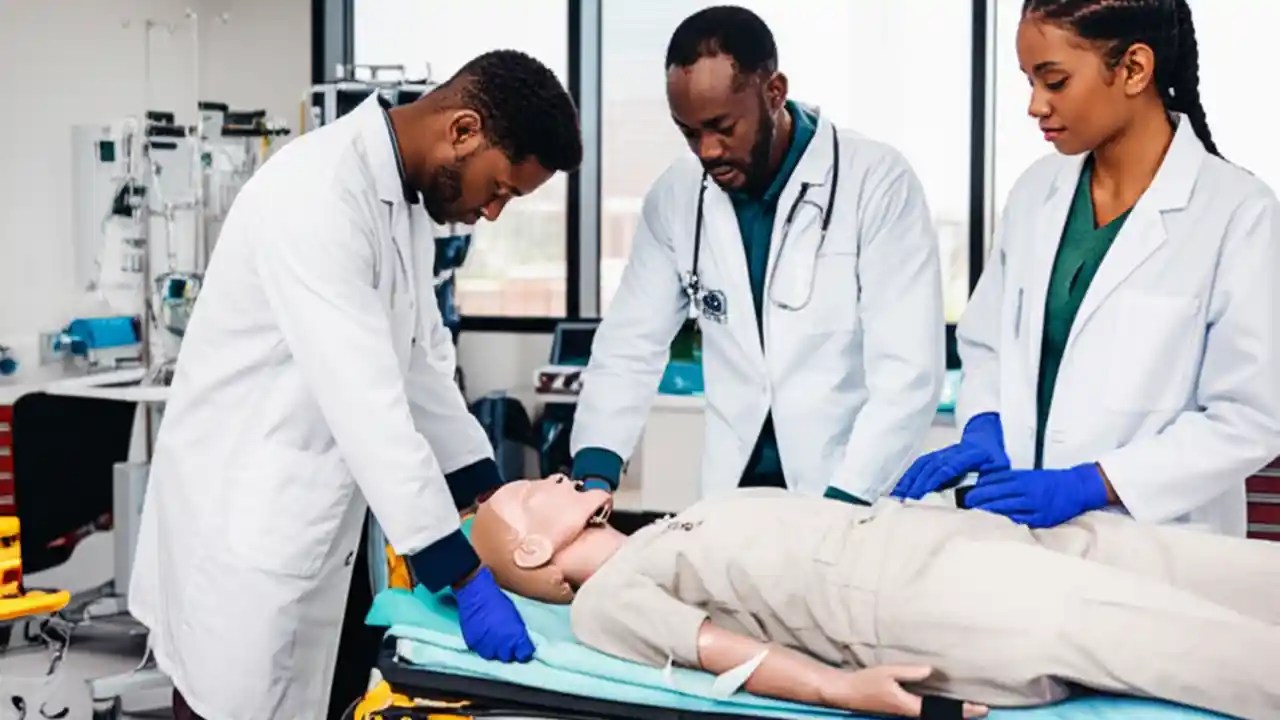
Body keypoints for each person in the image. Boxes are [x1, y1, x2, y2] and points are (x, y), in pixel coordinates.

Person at [127, 50, 582, 720]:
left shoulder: (401, 205)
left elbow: (421, 370)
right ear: (462, 131)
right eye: (502, 190)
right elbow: (371, 408)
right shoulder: (316, 195)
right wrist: (460, 573)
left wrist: (490, 495)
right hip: (241, 518)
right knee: (223, 700)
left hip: (301, 518)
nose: (492, 214)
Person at [892, 0, 1280, 535]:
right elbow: (988, 344)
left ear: (1134, 70)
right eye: (1029, 81)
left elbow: (1250, 418)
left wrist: (1091, 483)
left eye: (1054, 82)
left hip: (1158, 548)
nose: (1034, 105)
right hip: (1023, 535)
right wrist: (985, 426)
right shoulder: (1036, 193)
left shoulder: (1238, 213)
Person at [468, 477, 1280, 720]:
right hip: (924, 600)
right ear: (536, 550)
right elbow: (715, 651)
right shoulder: (603, 601)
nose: (550, 475)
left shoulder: (670, 524)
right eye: (533, 491)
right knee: (1189, 641)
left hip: (953, 540)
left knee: (1213, 567)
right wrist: (838, 688)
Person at [569, 6, 945, 503]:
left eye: (722, 126)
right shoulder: (678, 196)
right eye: (689, 132)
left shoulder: (875, 181)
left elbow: (907, 371)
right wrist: (595, 469)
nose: (706, 151)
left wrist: (848, 500)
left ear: (774, 92)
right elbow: (630, 344)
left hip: (849, 487)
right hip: (732, 495)